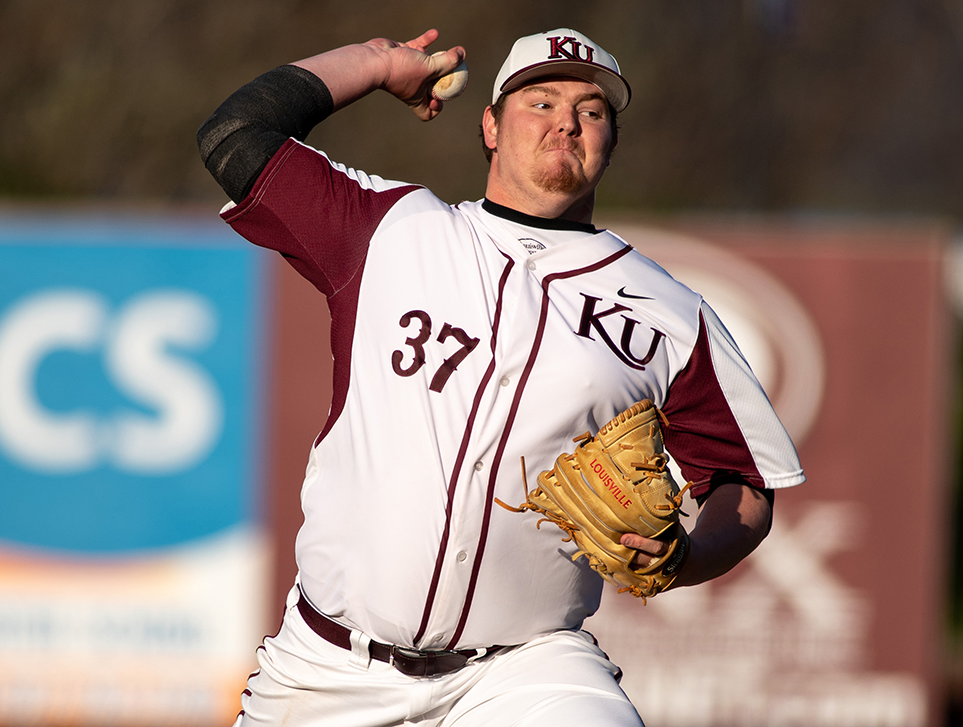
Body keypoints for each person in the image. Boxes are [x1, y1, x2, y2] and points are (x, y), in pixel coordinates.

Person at [197, 27, 804, 727]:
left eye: (592, 109)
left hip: (526, 671)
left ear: (610, 142)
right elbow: (234, 135)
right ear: (489, 125)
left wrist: (688, 555)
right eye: (539, 101)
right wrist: (374, 66)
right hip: (329, 668)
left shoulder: (672, 314)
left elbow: (743, 484)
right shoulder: (390, 229)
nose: (567, 120)